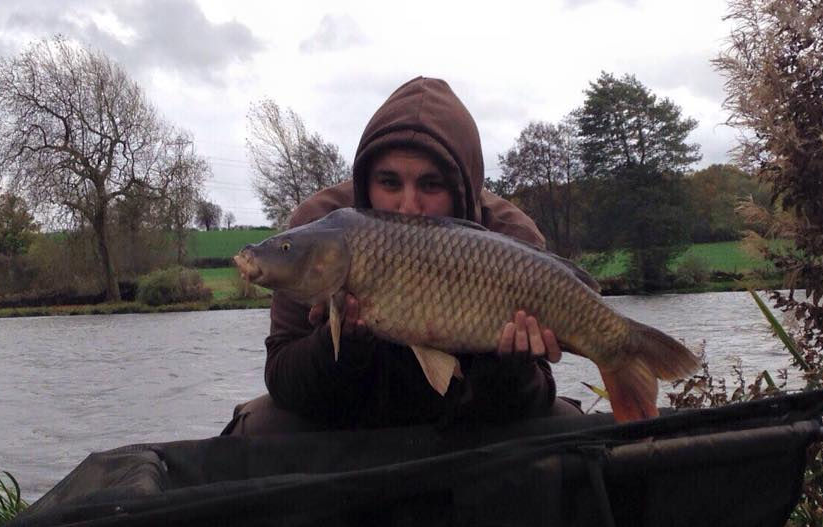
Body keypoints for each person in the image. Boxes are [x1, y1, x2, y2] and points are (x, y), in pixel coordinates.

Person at [224, 77, 580, 436]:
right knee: (259, 424)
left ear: (462, 189)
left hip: (470, 419)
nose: (409, 207)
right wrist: (340, 348)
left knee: (565, 424)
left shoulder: (509, 237)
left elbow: (535, 398)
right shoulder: (316, 231)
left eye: (431, 185)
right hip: (353, 418)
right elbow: (282, 380)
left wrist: (507, 369)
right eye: (389, 183)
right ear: (366, 181)